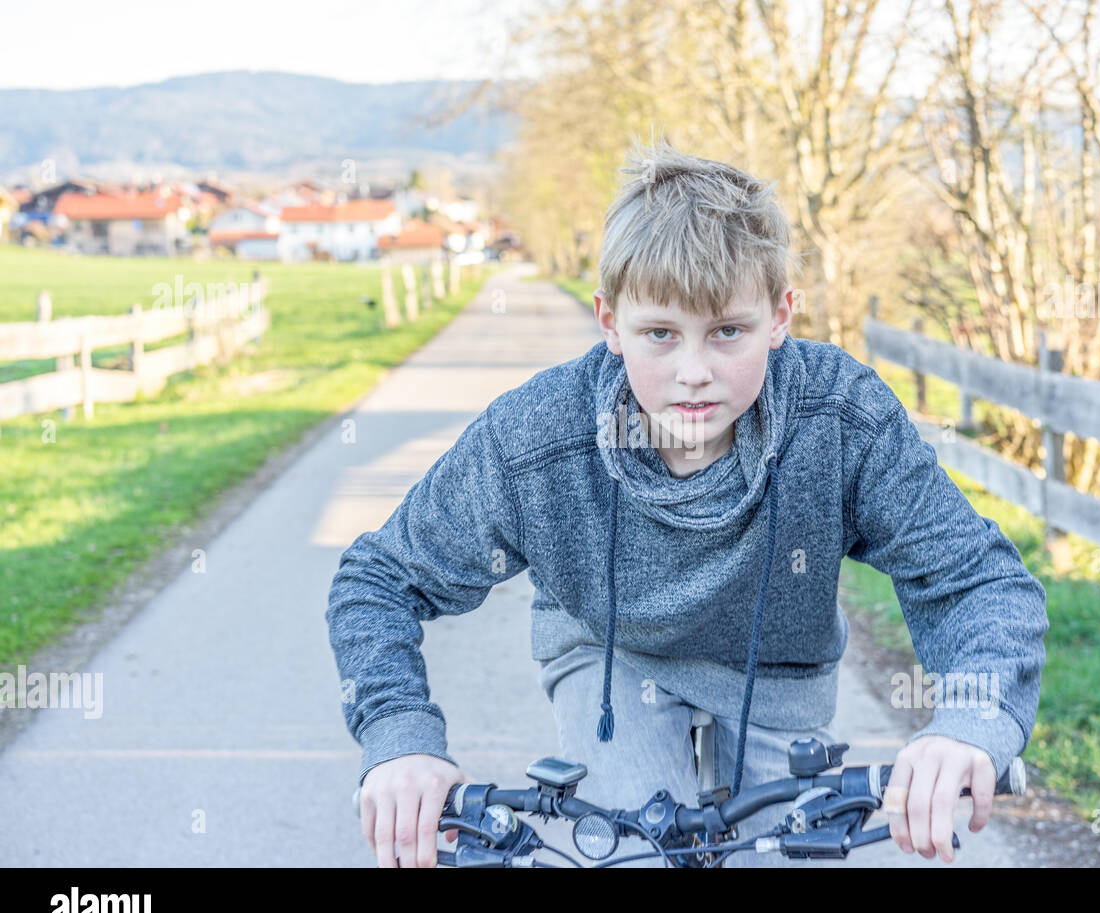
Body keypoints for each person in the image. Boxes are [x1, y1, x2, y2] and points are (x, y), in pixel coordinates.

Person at [325, 134, 1049, 868]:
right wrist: (399, 740)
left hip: (776, 668)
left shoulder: (842, 418)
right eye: (660, 334)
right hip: (611, 659)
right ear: (610, 322)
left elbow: (974, 576)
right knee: (631, 851)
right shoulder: (536, 438)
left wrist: (969, 720)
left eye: (728, 331)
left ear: (780, 316)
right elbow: (380, 578)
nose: (694, 372)